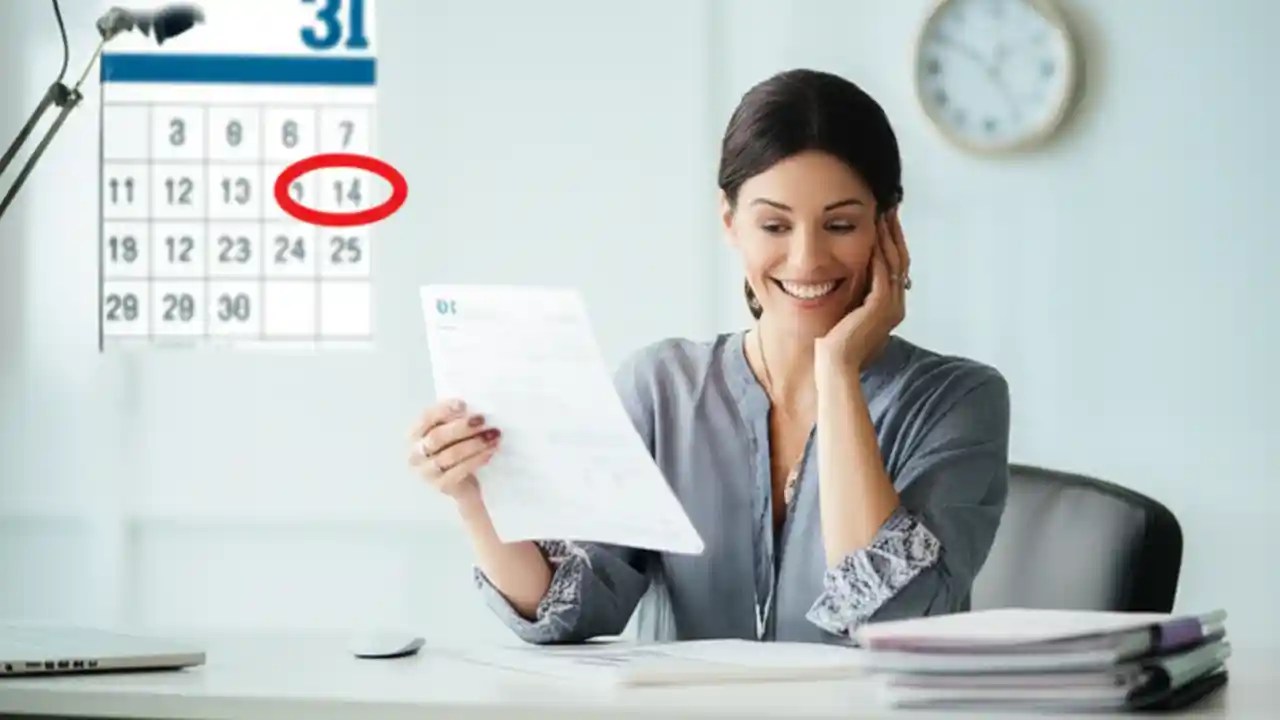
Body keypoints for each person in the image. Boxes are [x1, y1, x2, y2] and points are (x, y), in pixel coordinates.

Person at [408, 68, 1011, 645]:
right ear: (730, 222)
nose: (806, 260)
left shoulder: (959, 401)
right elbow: (570, 610)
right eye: (775, 226)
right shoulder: (661, 388)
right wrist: (473, 495)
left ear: (887, 229)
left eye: (840, 224)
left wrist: (837, 369)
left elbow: (892, 618)